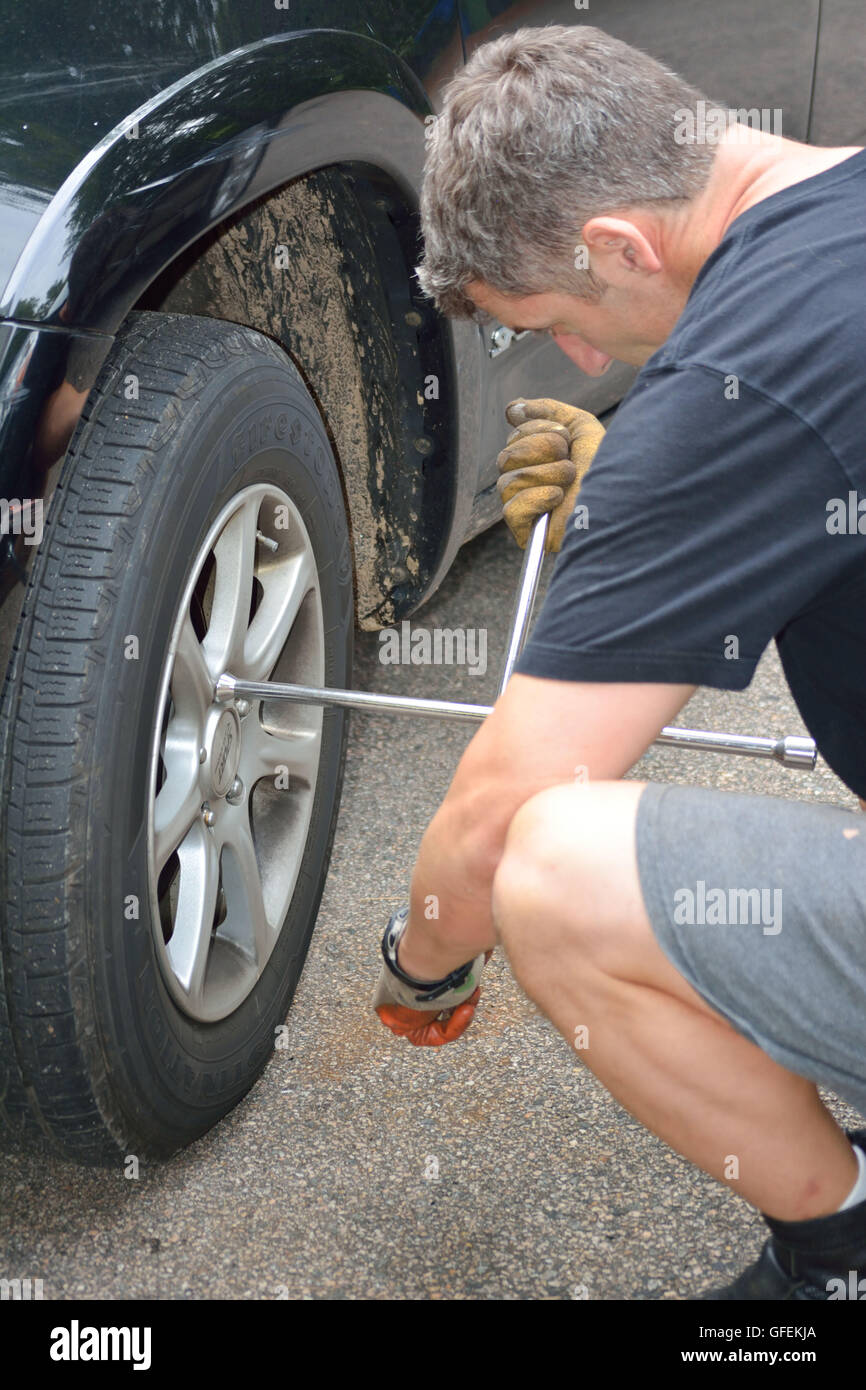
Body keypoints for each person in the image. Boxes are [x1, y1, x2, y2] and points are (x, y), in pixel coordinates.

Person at [372, 24, 866, 1300]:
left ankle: (844, 1248)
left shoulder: (726, 391)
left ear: (620, 248)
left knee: (552, 872)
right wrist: (681, 522)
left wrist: (420, 964)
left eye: (558, 323)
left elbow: (490, 819)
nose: (584, 366)